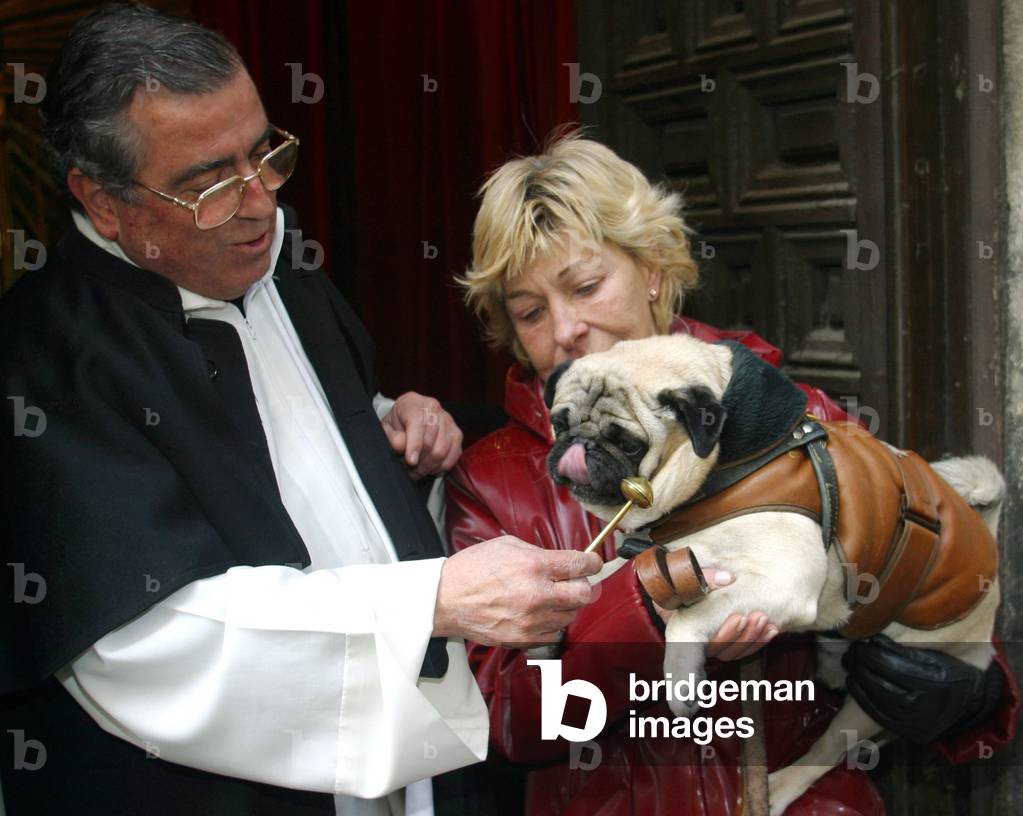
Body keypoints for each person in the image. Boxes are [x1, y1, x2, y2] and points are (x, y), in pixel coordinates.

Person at [0, 6, 604, 815]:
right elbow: (145, 644)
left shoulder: (273, 261)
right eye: (209, 183)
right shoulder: (45, 357)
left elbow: (291, 438)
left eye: (264, 154)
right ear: (103, 203)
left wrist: (392, 415)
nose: (258, 203)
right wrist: (428, 600)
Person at [447, 133, 1019, 815]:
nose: (566, 328)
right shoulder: (495, 480)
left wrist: (968, 695)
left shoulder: (796, 416)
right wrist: (649, 615)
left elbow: (926, 564)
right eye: (530, 311)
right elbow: (510, 723)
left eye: (586, 285)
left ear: (653, 268)